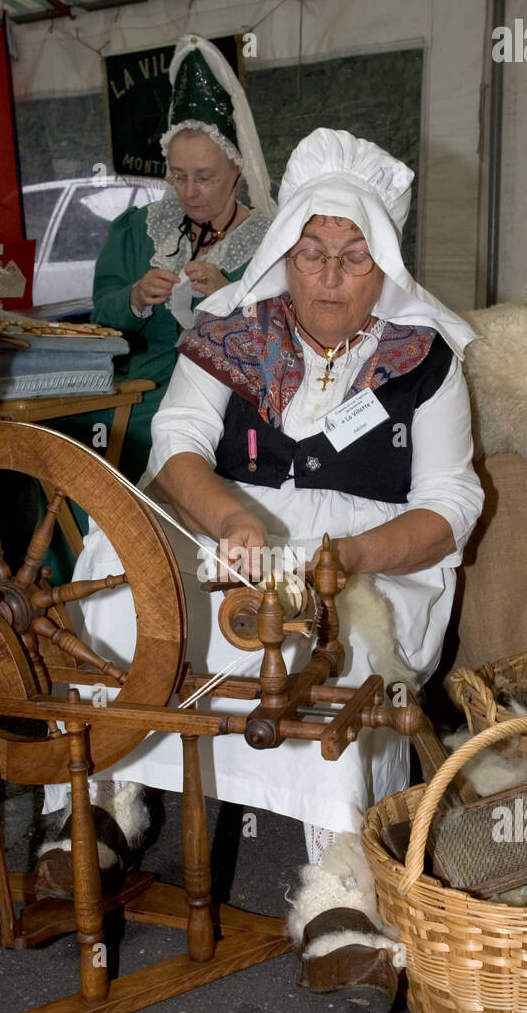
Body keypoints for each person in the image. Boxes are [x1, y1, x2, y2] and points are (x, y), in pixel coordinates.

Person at [39, 128, 483, 884]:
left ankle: (341, 870)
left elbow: (451, 501)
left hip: (365, 553)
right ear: (283, 253)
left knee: (339, 652)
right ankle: (105, 800)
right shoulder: (232, 328)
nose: (332, 275)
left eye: (355, 255)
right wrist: (235, 522)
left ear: (385, 269)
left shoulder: (424, 356)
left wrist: (352, 557)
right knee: (124, 579)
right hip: (229, 531)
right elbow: (177, 440)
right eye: (313, 252)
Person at [90, 34, 275, 478]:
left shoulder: (272, 242)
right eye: (178, 176)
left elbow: (288, 340)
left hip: (226, 403)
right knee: (70, 457)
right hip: (135, 396)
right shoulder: (138, 228)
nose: (189, 191)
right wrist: (135, 298)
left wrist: (231, 295)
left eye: (205, 178)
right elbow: (101, 315)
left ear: (238, 170)